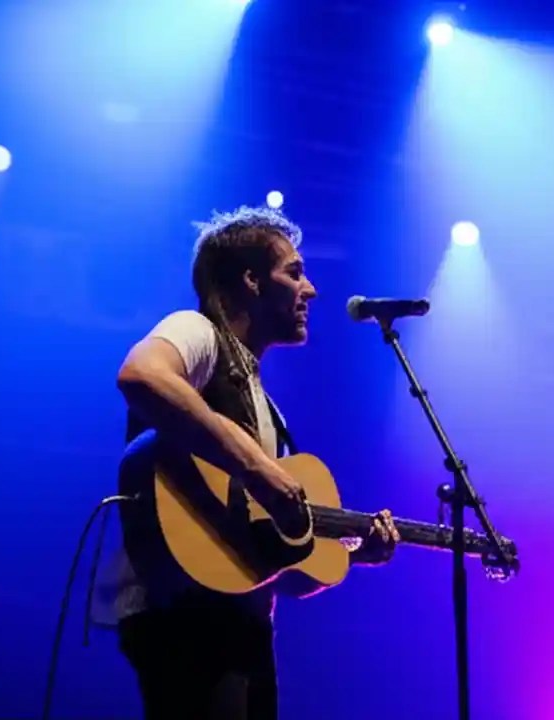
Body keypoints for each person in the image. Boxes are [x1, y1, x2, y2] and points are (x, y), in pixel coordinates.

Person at [93, 205, 401, 720]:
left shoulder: (267, 411)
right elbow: (142, 375)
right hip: (185, 616)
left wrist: (350, 557)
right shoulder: (196, 330)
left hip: (241, 624)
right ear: (251, 281)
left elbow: (272, 568)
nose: (311, 290)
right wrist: (257, 468)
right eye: (294, 273)